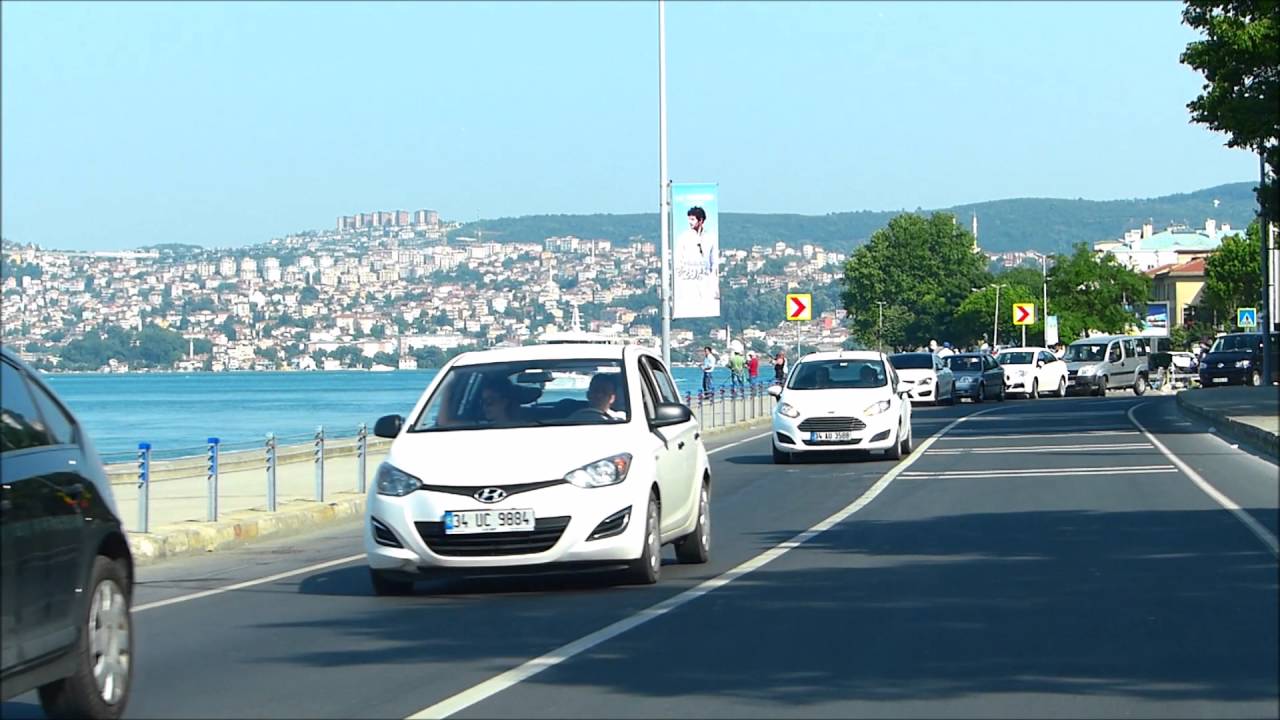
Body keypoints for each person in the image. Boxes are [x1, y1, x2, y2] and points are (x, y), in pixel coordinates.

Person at [674, 206, 720, 316]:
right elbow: (678, 259)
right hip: (688, 278)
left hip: (705, 279)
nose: (690, 222)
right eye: (689, 219)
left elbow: (714, 261)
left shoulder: (710, 237)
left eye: (692, 219)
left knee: (706, 304)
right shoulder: (683, 237)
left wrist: (712, 280)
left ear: (701, 221)